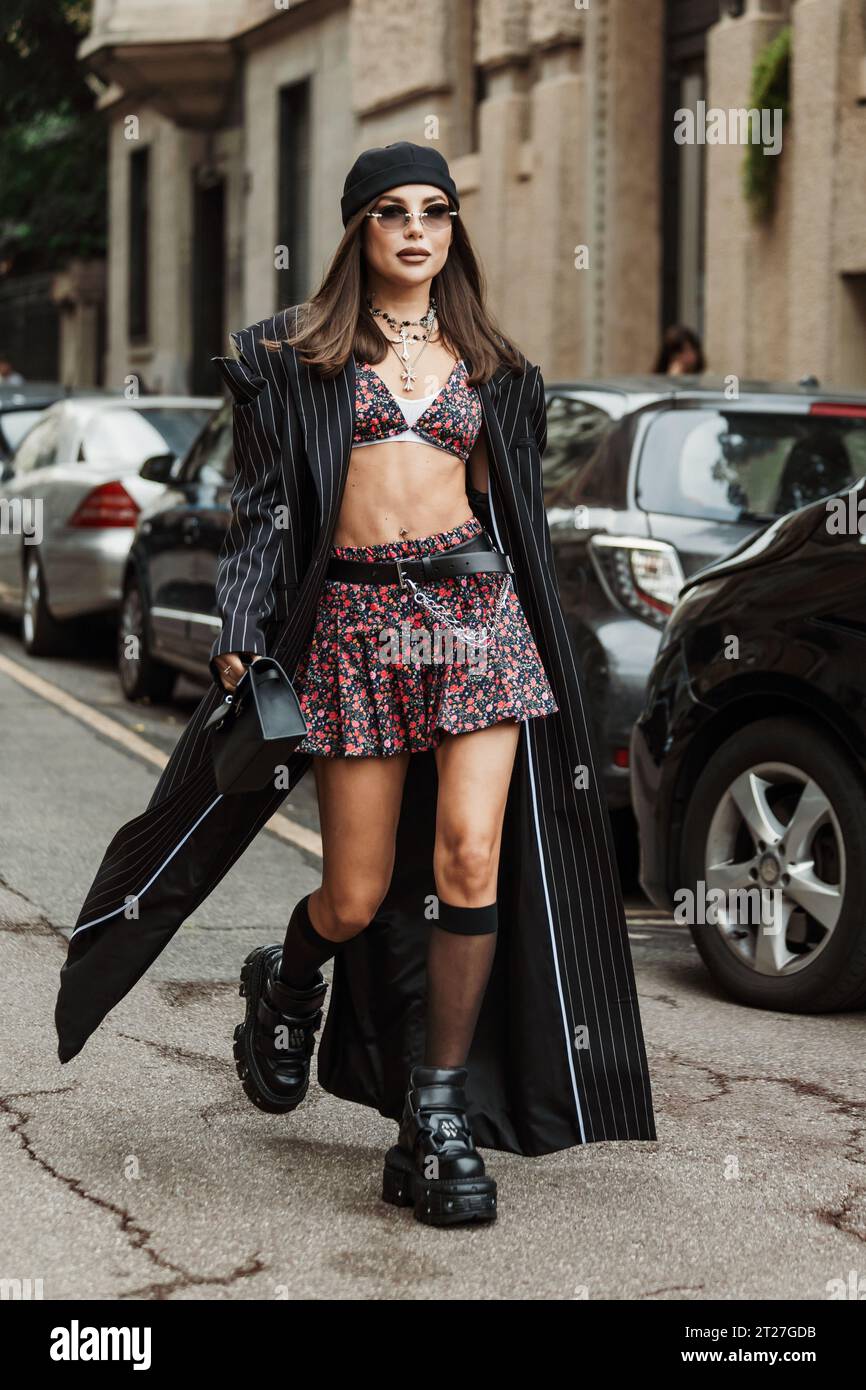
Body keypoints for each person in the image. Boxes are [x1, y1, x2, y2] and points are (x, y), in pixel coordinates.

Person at [56, 142, 656, 1228]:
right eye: (391, 212)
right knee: (356, 895)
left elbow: (511, 512)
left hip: (475, 623)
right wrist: (242, 627)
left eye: (435, 211)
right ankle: (284, 982)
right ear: (357, 230)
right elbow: (259, 510)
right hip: (357, 626)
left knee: (471, 858)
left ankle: (434, 1114)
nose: (417, 229)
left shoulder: (494, 365)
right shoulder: (296, 361)